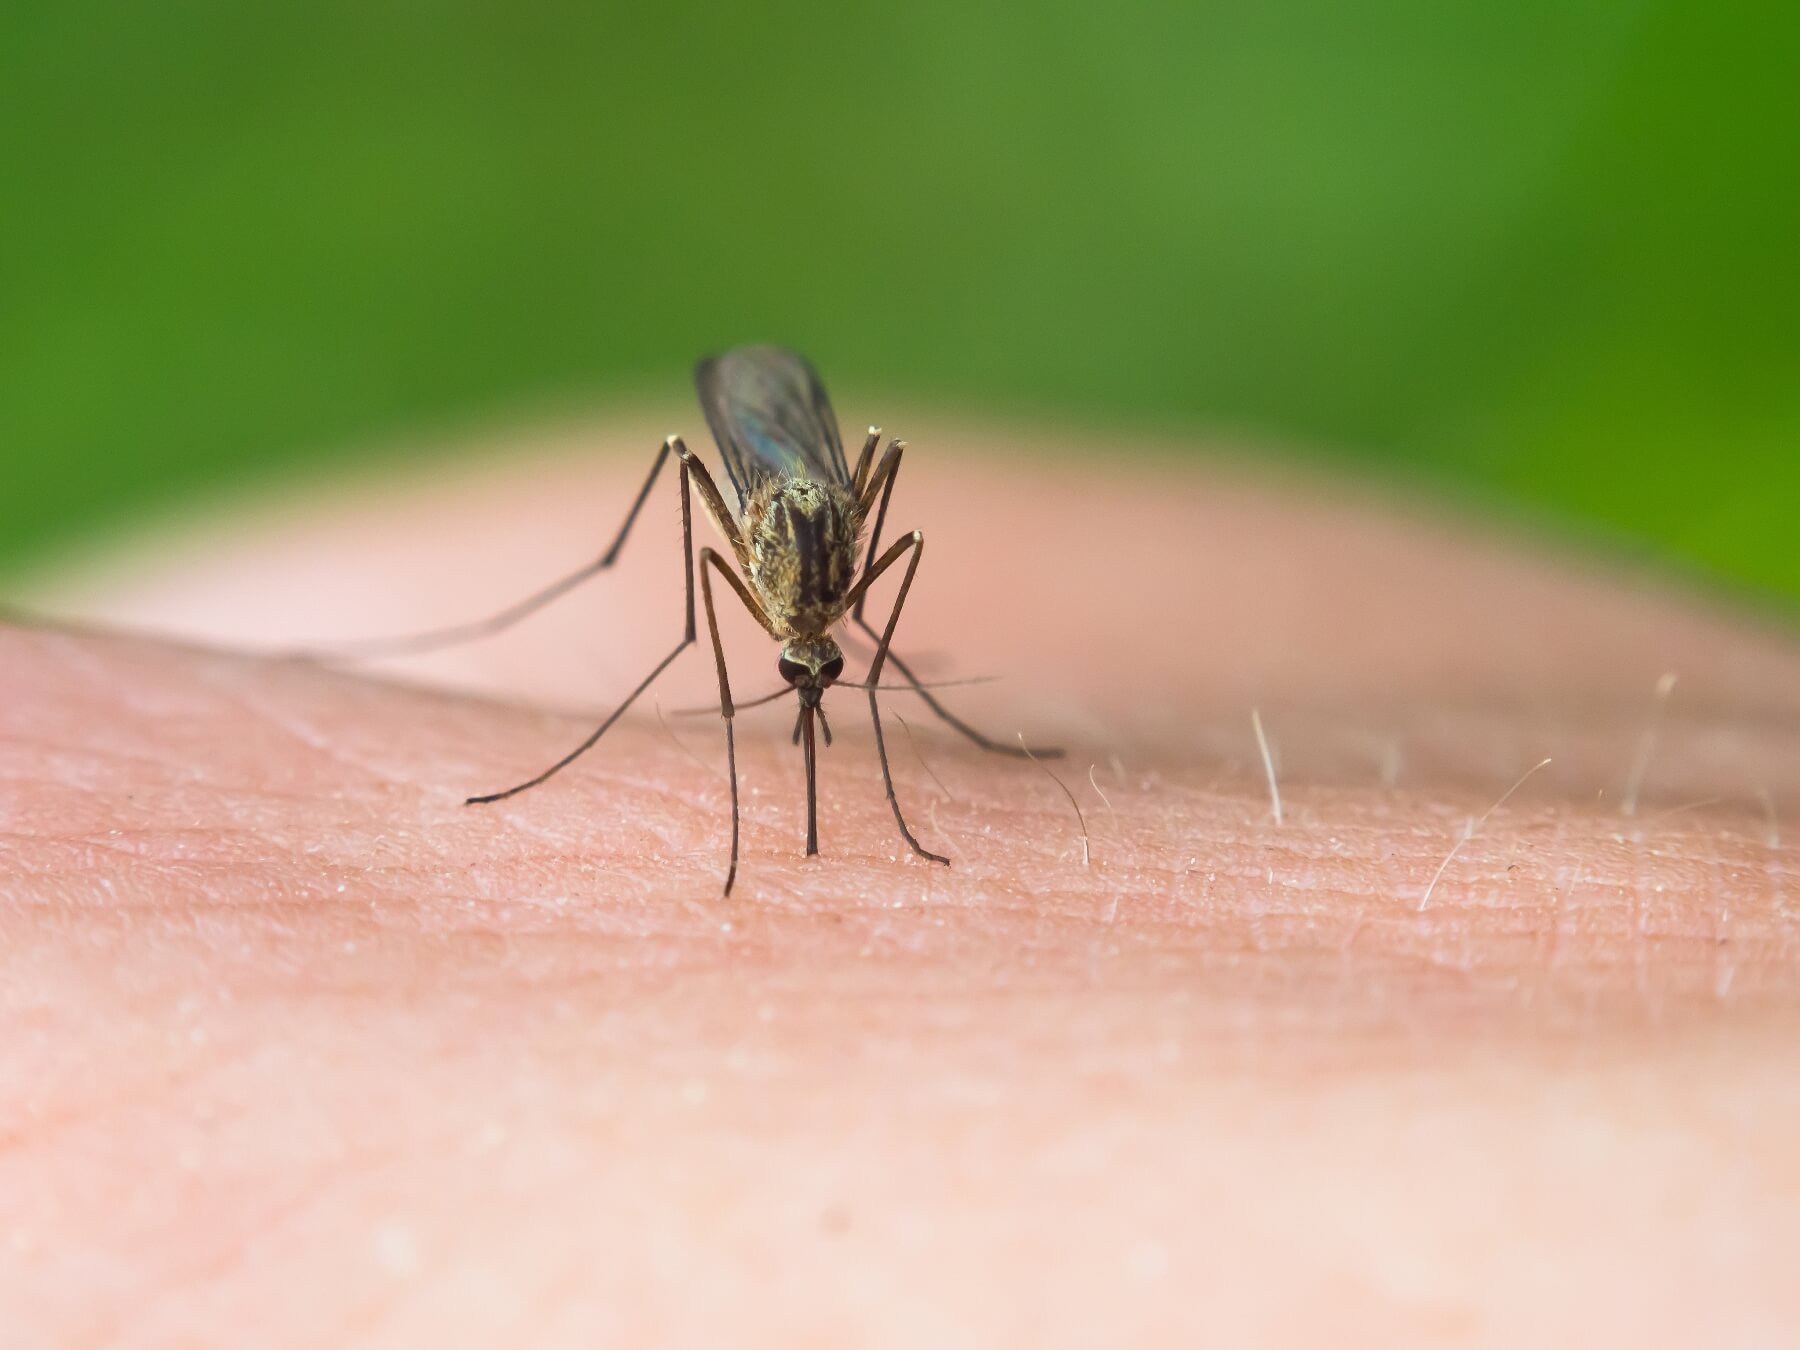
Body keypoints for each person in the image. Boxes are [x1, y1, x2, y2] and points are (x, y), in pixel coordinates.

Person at [8, 415, 1798, 1344]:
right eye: (826, 667)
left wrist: (895, 676)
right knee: (677, 530)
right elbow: (760, 569)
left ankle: (901, 709)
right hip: (748, 517)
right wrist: (727, 741)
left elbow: (869, 557)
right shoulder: (758, 598)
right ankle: (560, 644)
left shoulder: (845, 590)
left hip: (819, 530)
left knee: (880, 528)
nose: (814, 676)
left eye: (829, 663)